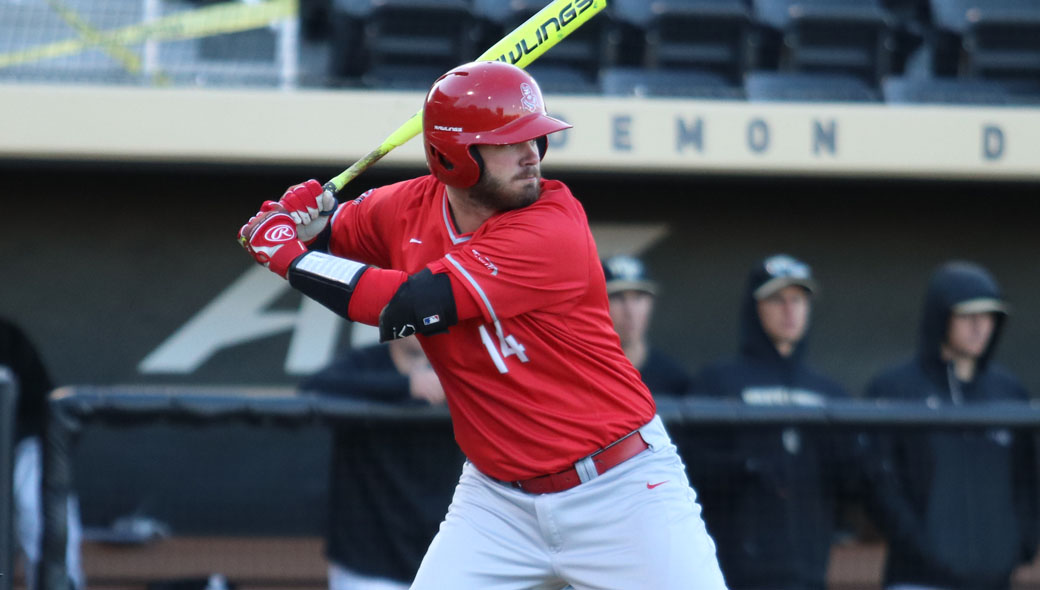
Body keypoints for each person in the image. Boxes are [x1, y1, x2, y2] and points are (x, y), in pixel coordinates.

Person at [237, 60, 726, 589]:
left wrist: (288, 256)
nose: (530, 155)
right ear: (454, 157)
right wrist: (303, 221)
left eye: (536, 137)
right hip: (498, 504)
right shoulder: (402, 208)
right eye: (507, 142)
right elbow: (330, 244)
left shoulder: (552, 225)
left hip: (620, 489)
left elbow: (402, 305)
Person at [863, 261, 1038, 590]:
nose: (979, 327)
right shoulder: (896, 388)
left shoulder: (1009, 392)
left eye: (989, 317)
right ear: (941, 317)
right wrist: (924, 548)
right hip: (917, 580)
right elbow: (878, 484)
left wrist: (1019, 547)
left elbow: (1028, 480)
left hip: (995, 580)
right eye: (967, 315)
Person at [685, 254, 854, 590]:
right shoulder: (718, 381)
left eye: (798, 299)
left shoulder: (829, 392)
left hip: (810, 569)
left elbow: (854, 480)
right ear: (755, 306)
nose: (790, 310)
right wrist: (747, 466)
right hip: (733, 569)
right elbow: (691, 469)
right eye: (777, 299)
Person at [299, 336, 462, 590]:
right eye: (409, 313)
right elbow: (312, 389)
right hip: (368, 558)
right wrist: (406, 386)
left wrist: (451, 388)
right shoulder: (365, 363)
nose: (419, 323)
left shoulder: (461, 367)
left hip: (441, 554)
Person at [1, 317, 85, 590]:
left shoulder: (6, 337)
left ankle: (60, 585)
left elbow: (48, 413)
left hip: (19, 448)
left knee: (32, 493)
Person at [602, 254, 692, 395]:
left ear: (651, 303)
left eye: (638, 297)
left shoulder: (673, 379)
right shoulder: (583, 372)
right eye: (617, 297)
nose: (629, 311)